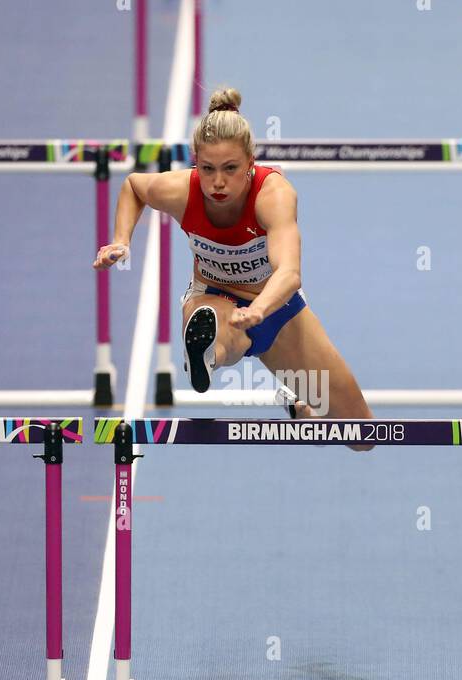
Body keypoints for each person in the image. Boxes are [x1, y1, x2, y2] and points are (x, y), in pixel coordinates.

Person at [93, 87, 371, 430]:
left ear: (251, 164)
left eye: (230, 168)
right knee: (222, 330)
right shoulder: (181, 190)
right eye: (207, 169)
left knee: (361, 431)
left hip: (276, 308)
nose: (217, 182)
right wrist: (120, 241)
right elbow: (134, 187)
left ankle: (289, 391)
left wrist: (260, 309)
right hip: (215, 298)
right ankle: (207, 355)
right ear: (195, 160)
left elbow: (290, 273)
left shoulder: (273, 195)